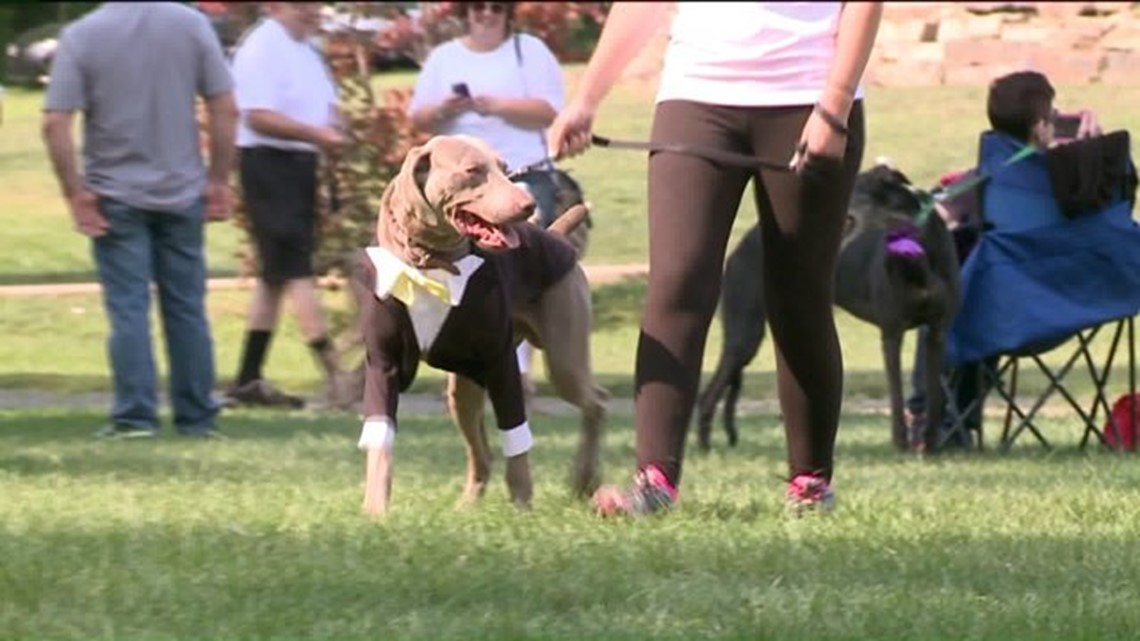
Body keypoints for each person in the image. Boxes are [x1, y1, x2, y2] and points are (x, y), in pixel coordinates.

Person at [548, 2, 883, 515]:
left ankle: (810, 483)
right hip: (697, 96)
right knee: (677, 282)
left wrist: (834, 106)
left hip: (809, 99)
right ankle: (654, 482)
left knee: (799, 294)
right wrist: (587, 98)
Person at [41, 2, 237, 439]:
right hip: (182, 190)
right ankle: (196, 418)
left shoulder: (83, 34)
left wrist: (75, 192)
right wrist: (219, 178)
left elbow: (56, 121)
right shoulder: (192, 25)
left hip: (114, 193)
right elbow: (224, 105)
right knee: (187, 308)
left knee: (128, 309)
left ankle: (134, 417)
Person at [905, 70, 1104, 447]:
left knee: (953, 292)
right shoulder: (1082, 176)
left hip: (1001, 312)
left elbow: (929, 214)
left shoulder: (990, 178)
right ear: (1043, 125)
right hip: (1072, 303)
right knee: (979, 286)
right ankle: (955, 419)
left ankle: (928, 414)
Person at [407, 0, 567, 406]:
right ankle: (463, 368)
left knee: (516, 270)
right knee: (461, 275)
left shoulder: (529, 51)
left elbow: (550, 111)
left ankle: (522, 373)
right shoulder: (445, 58)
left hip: (521, 176)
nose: (486, 13)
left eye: (496, 6)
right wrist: (446, 108)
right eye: (478, 6)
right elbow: (418, 119)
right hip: (462, 192)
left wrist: (491, 104)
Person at [225, 2, 350, 410]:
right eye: (302, 5)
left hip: (301, 165)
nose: (313, 12)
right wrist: (317, 133)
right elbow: (257, 115)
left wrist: (332, 131)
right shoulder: (262, 46)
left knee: (274, 275)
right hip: (268, 164)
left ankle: (247, 379)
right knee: (296, 270)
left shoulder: (307, 50)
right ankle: (336, 375)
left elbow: (328, 109)